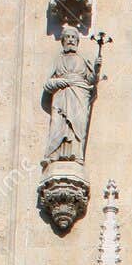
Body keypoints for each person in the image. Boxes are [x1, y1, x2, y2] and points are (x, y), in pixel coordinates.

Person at [41, 27, 98, 167]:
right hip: (61, 96)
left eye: (73, 37)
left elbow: (91, 80)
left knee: (78, 123)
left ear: (77, 41)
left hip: (80, 94)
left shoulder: (83, 60)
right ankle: (54, 154)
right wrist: (57, 82)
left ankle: (76, 153)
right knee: (58, 124)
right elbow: (47, 84)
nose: (71, 40)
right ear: (63, 41)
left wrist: (97, 68)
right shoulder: (58, 60)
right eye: (68, 37)